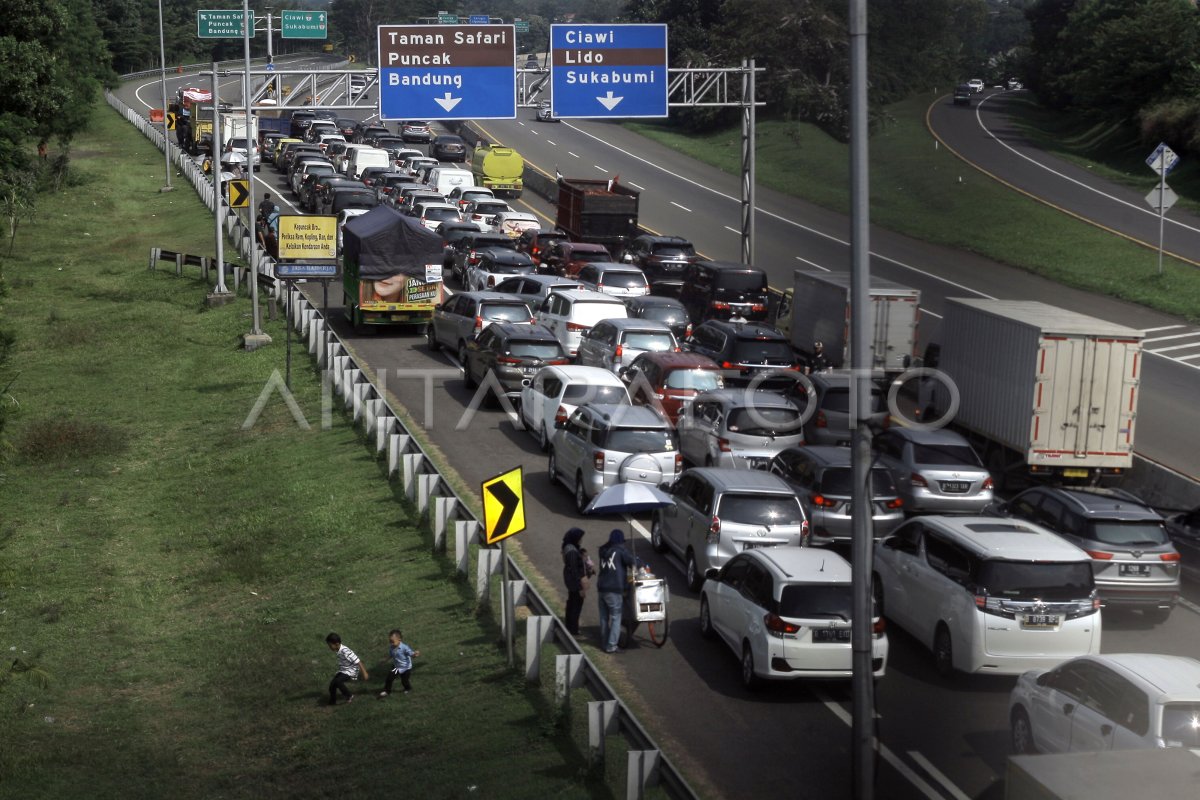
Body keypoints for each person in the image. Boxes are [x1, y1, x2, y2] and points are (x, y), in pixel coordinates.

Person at [596, 528, 639, 654]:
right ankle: (611, 646)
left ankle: (604, 643)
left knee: (604, 617)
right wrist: (635, 563)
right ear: (620, 541)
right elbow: (632, 560)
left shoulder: (603, 551)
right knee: (616, 617)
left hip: (601, 588)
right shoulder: (620, 551)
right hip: (614, 589)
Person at [325, 632, 368, 705]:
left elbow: (358, 661)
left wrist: (364, 673)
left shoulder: (345, 651)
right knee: (332, 685)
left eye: (330, 645)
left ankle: (349, 696)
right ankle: (332, 702)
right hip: (344, 670)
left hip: (351, 671)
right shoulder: (338, 650)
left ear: (337, 644)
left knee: (338, 681)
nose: (329, 647)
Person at [561, 527, 588, 636]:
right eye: (580, 538)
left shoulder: (568, 548)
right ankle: (573, 629)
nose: (581, 540)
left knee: (572, 603)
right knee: (575, 605)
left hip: (571, 580)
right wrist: (580, 587)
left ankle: (571, 627)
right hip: (574, 583)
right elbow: (574, 570)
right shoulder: (572, 551)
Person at [379, 629, 420, 697]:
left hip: (406, 668)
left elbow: (411, 654)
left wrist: (415, 654)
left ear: (399, 640)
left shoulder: (404, 648)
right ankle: (387, 691)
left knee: (404, 681)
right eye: (390, 641)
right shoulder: (392, 647)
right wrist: (384, 660)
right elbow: (391, 655)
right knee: (389, 678)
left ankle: (408, 688)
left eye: (392, 642)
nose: (391, 643)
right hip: (397, 667)